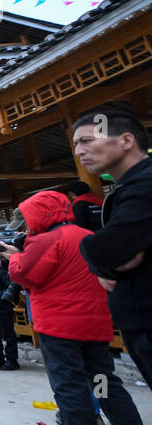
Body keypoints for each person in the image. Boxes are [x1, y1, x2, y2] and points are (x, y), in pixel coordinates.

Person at [6, 190, 152, 425]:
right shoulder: (88, 235)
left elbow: (24, 274)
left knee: (69, 384)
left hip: (60, 328)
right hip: (94, 326)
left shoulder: (47, 240)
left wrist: (14, 257)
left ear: (38, 215)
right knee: (103, 382)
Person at [72, 104, 152, 388]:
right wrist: (106, 262)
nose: (79, 151)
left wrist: (100, 257)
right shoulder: (127, 188)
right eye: (76, 145)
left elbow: (104, 247)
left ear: (126, 140)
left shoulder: (144, 184)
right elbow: (111, 249)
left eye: (87, 140)